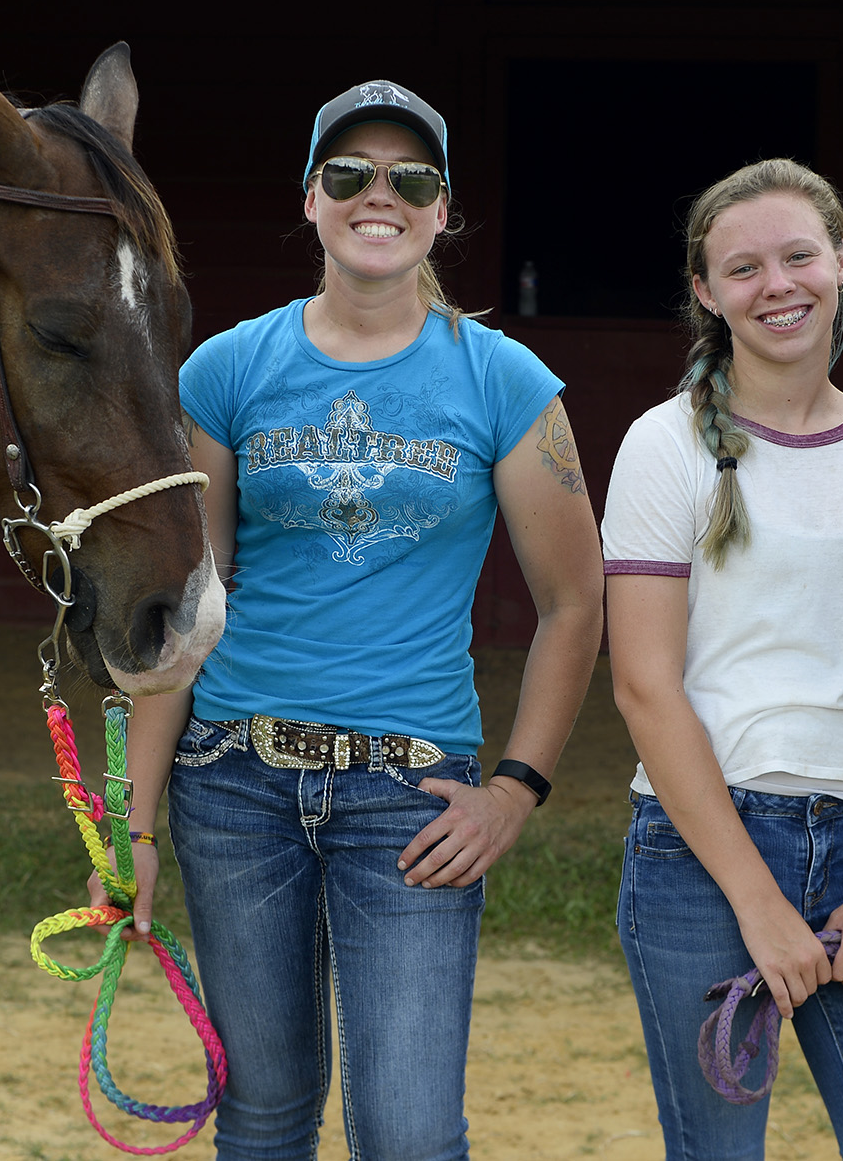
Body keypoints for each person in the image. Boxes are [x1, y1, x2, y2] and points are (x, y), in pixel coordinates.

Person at [110, 80, 604, 1161]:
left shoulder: (501, 379)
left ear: (440, 211)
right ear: (311, 199)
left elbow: (574, 603)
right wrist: (133, 824)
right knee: (264, 1113)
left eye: (408, 179)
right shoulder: (228, 368)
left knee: (410, 1132)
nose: (377, 195)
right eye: (349, 175)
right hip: (233, 781)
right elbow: (181, 605)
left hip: (411, 798)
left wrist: (514, 792)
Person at [600, 159, 843, 1159]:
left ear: (841, 262)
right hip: (698, 861)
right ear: (706, 293)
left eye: (798, 255)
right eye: (744, 267)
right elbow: (643, 683)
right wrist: (756, 902)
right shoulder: (660, 446)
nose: (777, 285)